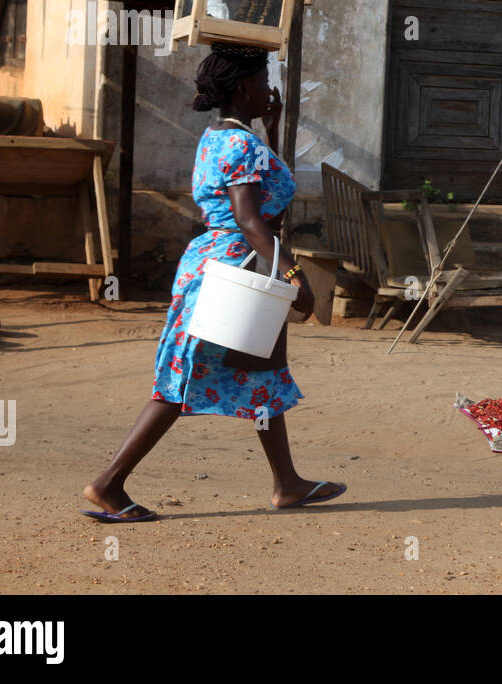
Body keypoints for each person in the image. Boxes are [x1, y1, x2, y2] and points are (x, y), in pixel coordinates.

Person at [81, 42, 345, 522]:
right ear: (243, 88)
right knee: (181, 377)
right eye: (264, 83)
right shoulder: (238, 143)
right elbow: (250, 219)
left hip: (238, 264)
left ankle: (287, 484)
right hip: (232, 272)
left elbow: (266, 191)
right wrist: (293, 274)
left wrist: (274, 125)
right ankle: (108, 483)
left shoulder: (226, 135)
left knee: (263, 371)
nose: (270, 89)